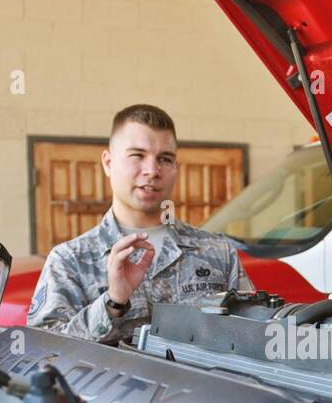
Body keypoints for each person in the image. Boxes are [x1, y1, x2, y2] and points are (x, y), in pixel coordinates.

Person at [27, 104, 251, 342]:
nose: (152, 170)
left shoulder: (218, 252)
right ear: (108, 163)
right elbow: (44, 353)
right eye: (137, 155)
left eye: (165, 159)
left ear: (176, 168)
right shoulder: (69, 261)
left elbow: (251, 333)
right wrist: (113, 302)